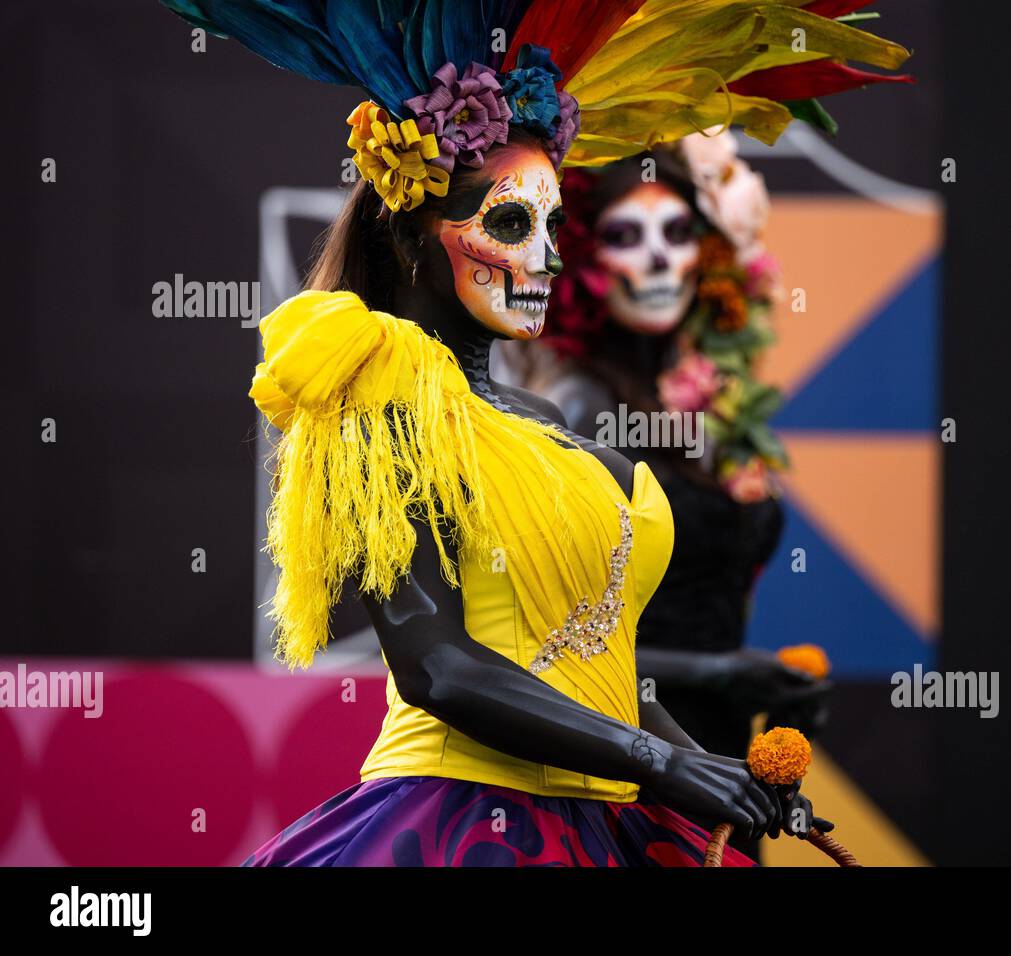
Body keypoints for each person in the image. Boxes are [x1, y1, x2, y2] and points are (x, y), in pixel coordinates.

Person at [161, 0, 910, 867]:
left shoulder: (547, 425)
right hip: (456, 824)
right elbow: (436, 667)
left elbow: (600, 672)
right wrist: (664, 762)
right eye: (512, 224)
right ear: (411, 238)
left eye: (553, 226)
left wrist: (710, 771)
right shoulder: (383, 401)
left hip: (607, 824)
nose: (546, 256)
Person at [511, 135, 831, 860]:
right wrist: (724, 672)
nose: (658, 258)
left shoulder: (700, 400)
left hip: (720, 766)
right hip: (632, 768)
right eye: (627, 235)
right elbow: (555, 643)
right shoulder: (578, 408)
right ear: (584, 258)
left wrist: (757, 680)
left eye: (678, 233)